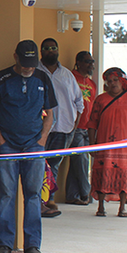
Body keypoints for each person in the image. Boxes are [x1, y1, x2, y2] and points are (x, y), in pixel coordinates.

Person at [0, 40, 56, 253]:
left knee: (33, 195)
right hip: (8, 146)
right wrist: (0, 140)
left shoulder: (43, 78)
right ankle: (4, 243)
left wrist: (42, 140)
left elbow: (50, 114)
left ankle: (32, 245)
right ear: (15, 57)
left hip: (34, 146)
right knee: (6, 194)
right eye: (25, 63)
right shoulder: (1, 79)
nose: (28, 68)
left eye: (32, 64)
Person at [89, 68, 127, 217]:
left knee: (124, 177)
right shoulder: (100, 100)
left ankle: (122, 208)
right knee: (102, 175)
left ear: (122, 81)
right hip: (104, 145)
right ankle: (101, 207)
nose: (112, 83)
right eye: (109, 81)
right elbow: (92, 124)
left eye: (115, 80)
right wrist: (91, 143)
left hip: (124, 148)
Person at [38, 38, 84, 217]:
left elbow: (79, 102)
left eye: (53, 48)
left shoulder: (67, 75)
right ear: (41, 51)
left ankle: (49, 200)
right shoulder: (35, 72)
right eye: (47, 48)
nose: (51, 51)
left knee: (53, 165)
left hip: (64, 129)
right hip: (41, 129)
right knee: (39, 164)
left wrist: (74, 125)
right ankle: (39, 201)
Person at [65, 51, 97, 205]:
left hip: (87, 127)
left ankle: (72, 195)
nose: (91, 64)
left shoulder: (91, 84)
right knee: (81, 160)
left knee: (77, 162)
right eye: (87, 61)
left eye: (92, 61)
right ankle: (87, 193)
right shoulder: (71, 78)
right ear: (78, 62)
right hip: (75, 126)